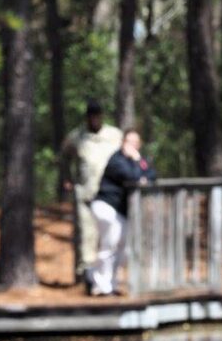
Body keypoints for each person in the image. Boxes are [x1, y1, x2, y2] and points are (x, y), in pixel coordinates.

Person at [60, 101, 123, 291]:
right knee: (86, 235)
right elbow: (63, 157)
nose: (94, 119)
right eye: (91, 115)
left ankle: (108, 276)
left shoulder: (114, 136)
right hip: (86, 193)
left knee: (111, 236)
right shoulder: (76, 137)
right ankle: (86, 276)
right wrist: (67, 178)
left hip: (111, 195)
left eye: (97, 115)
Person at [90, 129, 156, 296]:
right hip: (106, 206)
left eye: (135, 143)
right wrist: (138, 166)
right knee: (110, 244)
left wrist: (139, 162)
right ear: (122, 143)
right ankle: (100, 284)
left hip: (120, 211)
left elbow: (151, 173)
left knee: (122, 249)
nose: (131, 146)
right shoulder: (117, 160)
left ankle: (110, 284)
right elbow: (133, 176)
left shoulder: (137, 160)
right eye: (128, 142)